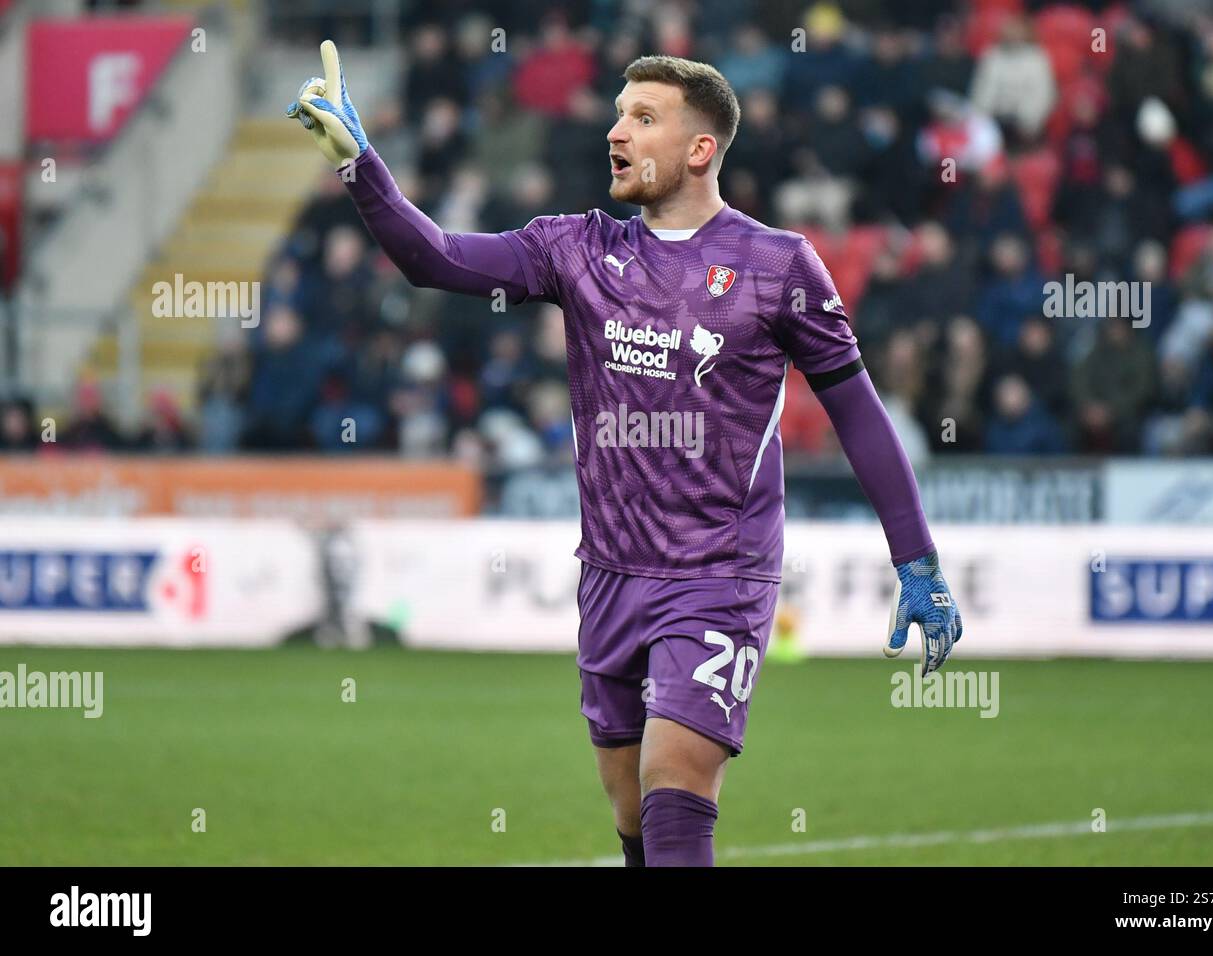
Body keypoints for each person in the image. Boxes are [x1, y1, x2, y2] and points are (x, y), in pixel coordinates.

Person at [288, 41, 963, 867]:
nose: (617, 132)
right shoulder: (576, 248)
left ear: (700, 148)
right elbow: (437, 259)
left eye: (643, 118)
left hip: (719, 573)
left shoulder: (778, 266)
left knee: (677, 786)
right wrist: (363, 168)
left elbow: (857, 414)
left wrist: (917, 561)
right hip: (610, 574)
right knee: (635, 817)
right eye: (618, 114)